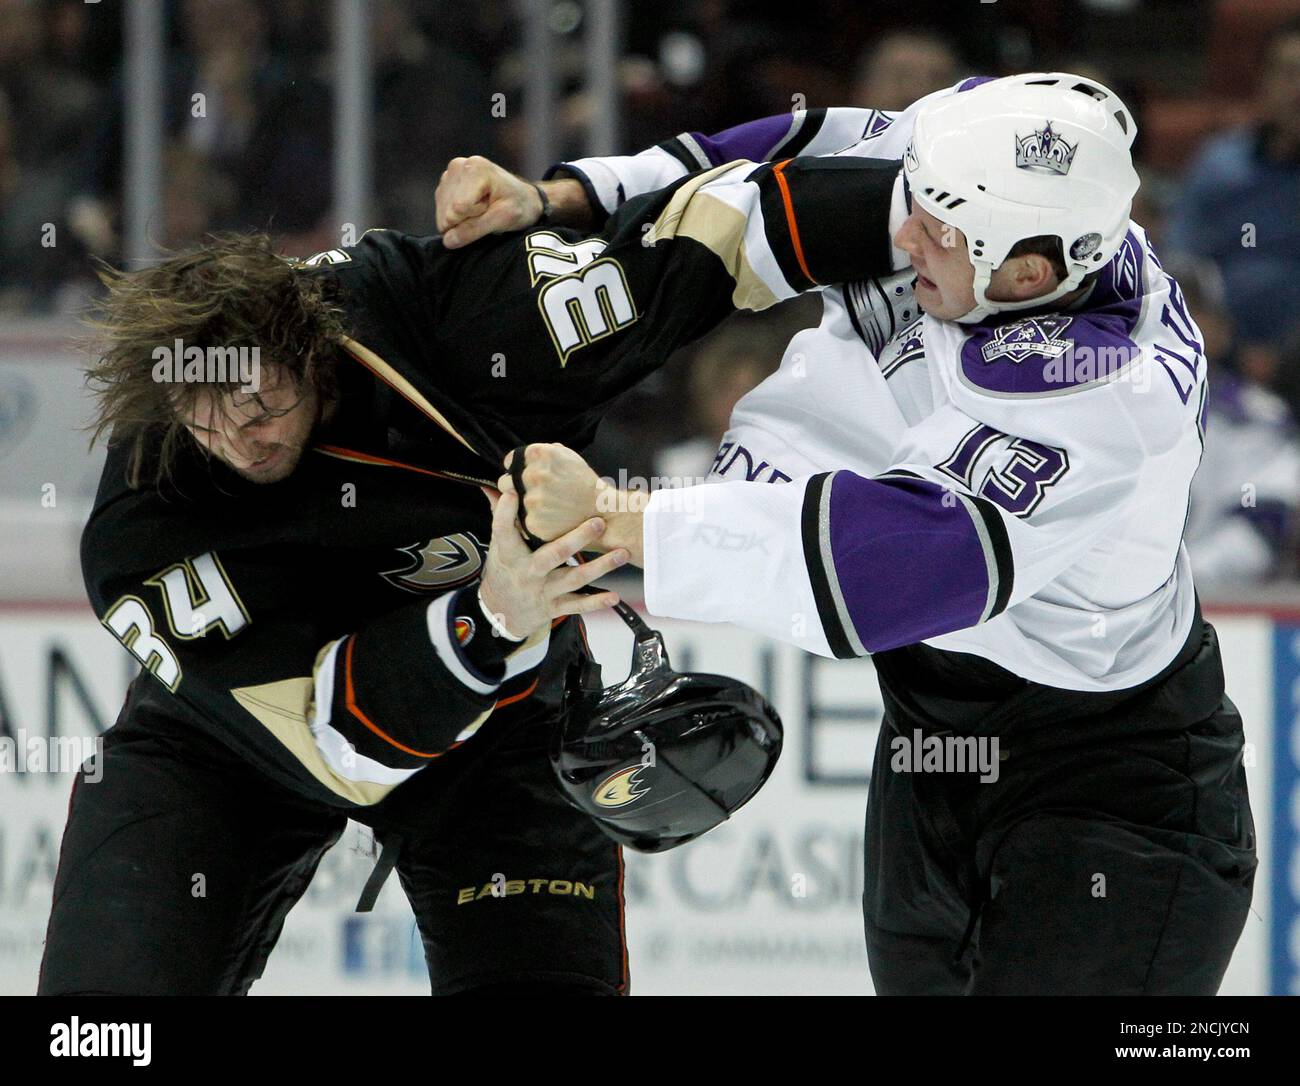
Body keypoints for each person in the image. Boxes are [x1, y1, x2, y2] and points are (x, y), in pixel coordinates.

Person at [459, 73, 1258, 995]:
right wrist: (573, 195)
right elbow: (809, 141)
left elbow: (897, 560)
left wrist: (622, 517)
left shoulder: (1109, 395)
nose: (899, 231)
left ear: (1027, 274)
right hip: (931, 737)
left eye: (934, 230)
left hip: (1114, 785)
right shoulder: (976, 166)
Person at [41, 149, 908, 996]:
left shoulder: (460, 311)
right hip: (233, 744)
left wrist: (930, 218)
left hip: (502, 727)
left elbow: (728, 228)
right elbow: (333, 744)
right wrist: (486, 617)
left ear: (313, 354)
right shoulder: (141, 526)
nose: (241, 440)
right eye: (206, 420)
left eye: (264, 407)